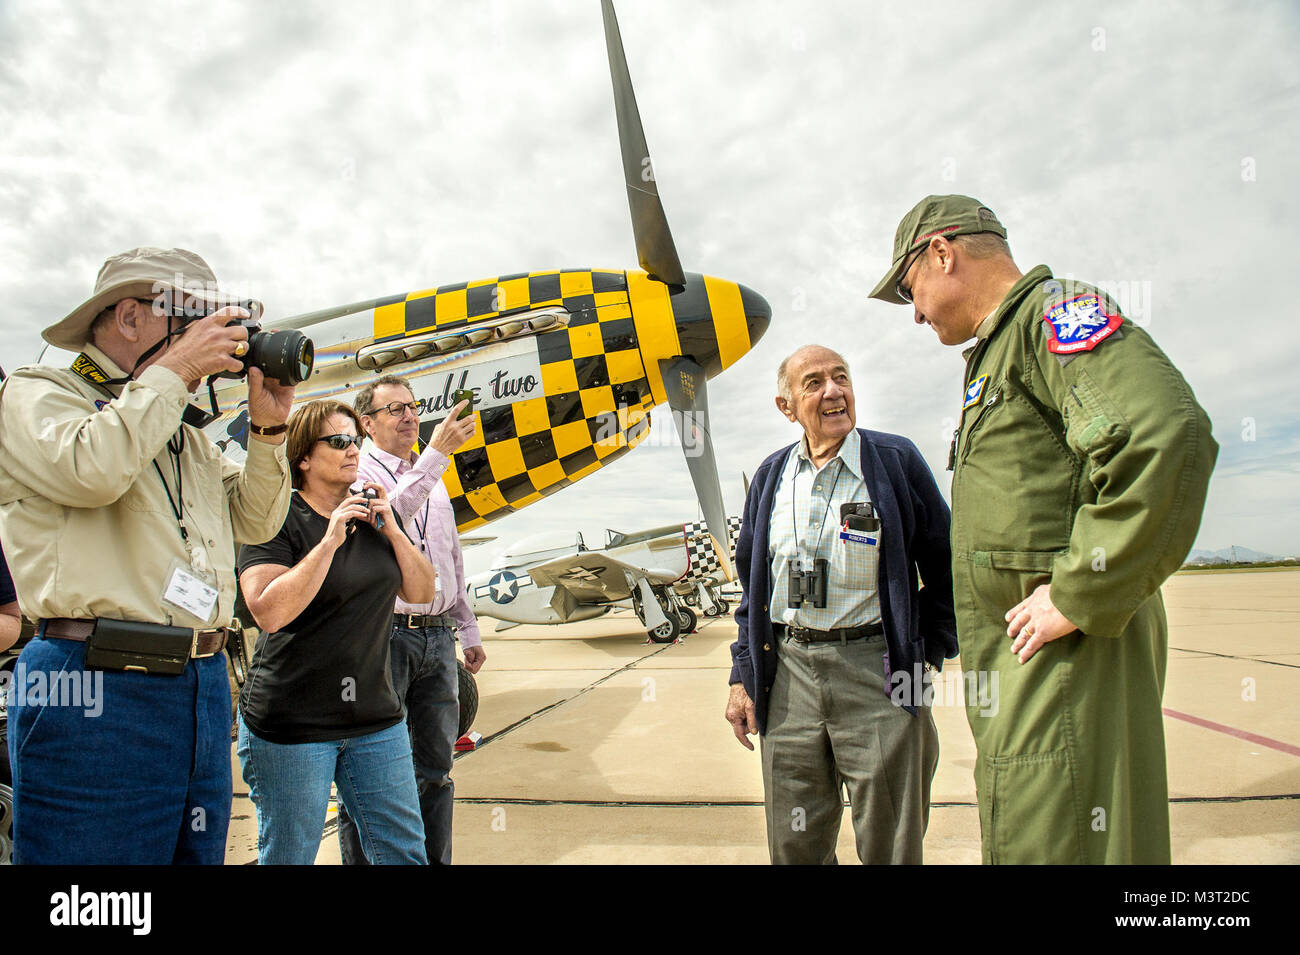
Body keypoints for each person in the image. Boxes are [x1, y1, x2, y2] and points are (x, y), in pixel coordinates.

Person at [868, 195, 1218, 864]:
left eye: (911, 290)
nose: (914, 312)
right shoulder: (1005, 346)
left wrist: (1080, 588)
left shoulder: (1053, 315)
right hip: (1036, 669)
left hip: (1068, 666)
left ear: (943, 253)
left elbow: (1166, 434)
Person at [0, 247, 294, 864]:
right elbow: (90, 471)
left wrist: (268, 430)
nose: (223, 337)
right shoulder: (40, 393)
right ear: (131, 317)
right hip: (94, 685)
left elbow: (254, 518)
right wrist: (176, 371)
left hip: (201, 686)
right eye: (195, 318)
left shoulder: (179, 430)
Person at [725, 344, 958, 864]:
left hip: (880, 672)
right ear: (787, 407)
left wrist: (925, 656)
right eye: (813, 383)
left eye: (841, 377)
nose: (833, 391)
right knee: (794, 843)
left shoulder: (894, 461)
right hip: (787, 676)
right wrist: (743, 675)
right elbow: (752, 588)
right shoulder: (770, 477)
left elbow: (947, 566)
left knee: (891, 843)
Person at [236, 399, 435, 865]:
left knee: (404, 852)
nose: (353, 451)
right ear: (303, 456)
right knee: (290, 855)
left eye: (356, 440)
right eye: (340, 441)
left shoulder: (375, 513)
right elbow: (267, 611)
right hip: (292, 722)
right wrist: (329, 540)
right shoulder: (274, 517)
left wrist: (392, 532)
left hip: (375, 717)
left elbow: (423, 591)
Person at [337, 375, 481, 866]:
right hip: (386, 638)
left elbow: (450, 557)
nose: (409, 416)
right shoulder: (358, 471)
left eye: (413, 407)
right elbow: (384, 521)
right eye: (394, 408)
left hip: (438, 639)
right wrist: (436, 456)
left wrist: (468, 627)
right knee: (370, 771)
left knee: (436, 769)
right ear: (367, 423)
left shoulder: (432, 478)